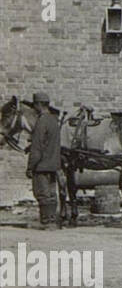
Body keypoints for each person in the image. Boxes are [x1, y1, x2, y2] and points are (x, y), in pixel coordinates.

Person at [26, 91, 62, 229]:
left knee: (42, 194)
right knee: (52, 194)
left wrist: (30, 167)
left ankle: (46, 222)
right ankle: (52, 220)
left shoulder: (41, 122)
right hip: (53, 165)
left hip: (41, 166)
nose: (34, 108)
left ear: (40, 104)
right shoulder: (54, 120)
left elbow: (37, 148)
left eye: (35, 105)